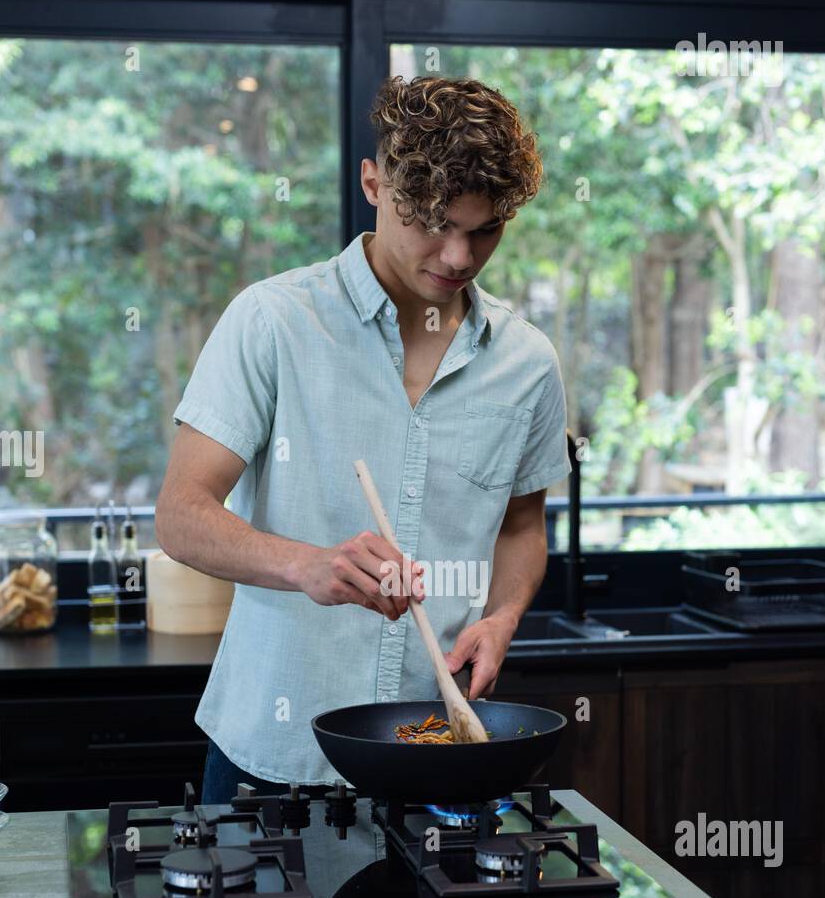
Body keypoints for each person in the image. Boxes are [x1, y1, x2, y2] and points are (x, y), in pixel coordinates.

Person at [155, 74, 571, 803]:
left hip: (436, 752)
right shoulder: (273, 321)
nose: (456, 256)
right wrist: (305, 566)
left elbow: (521, 524)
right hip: (273, 755)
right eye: (433, 222)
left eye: (483, 230)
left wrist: (501, 617)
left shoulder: (526, 361)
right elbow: (181, 516)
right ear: (373, 185)